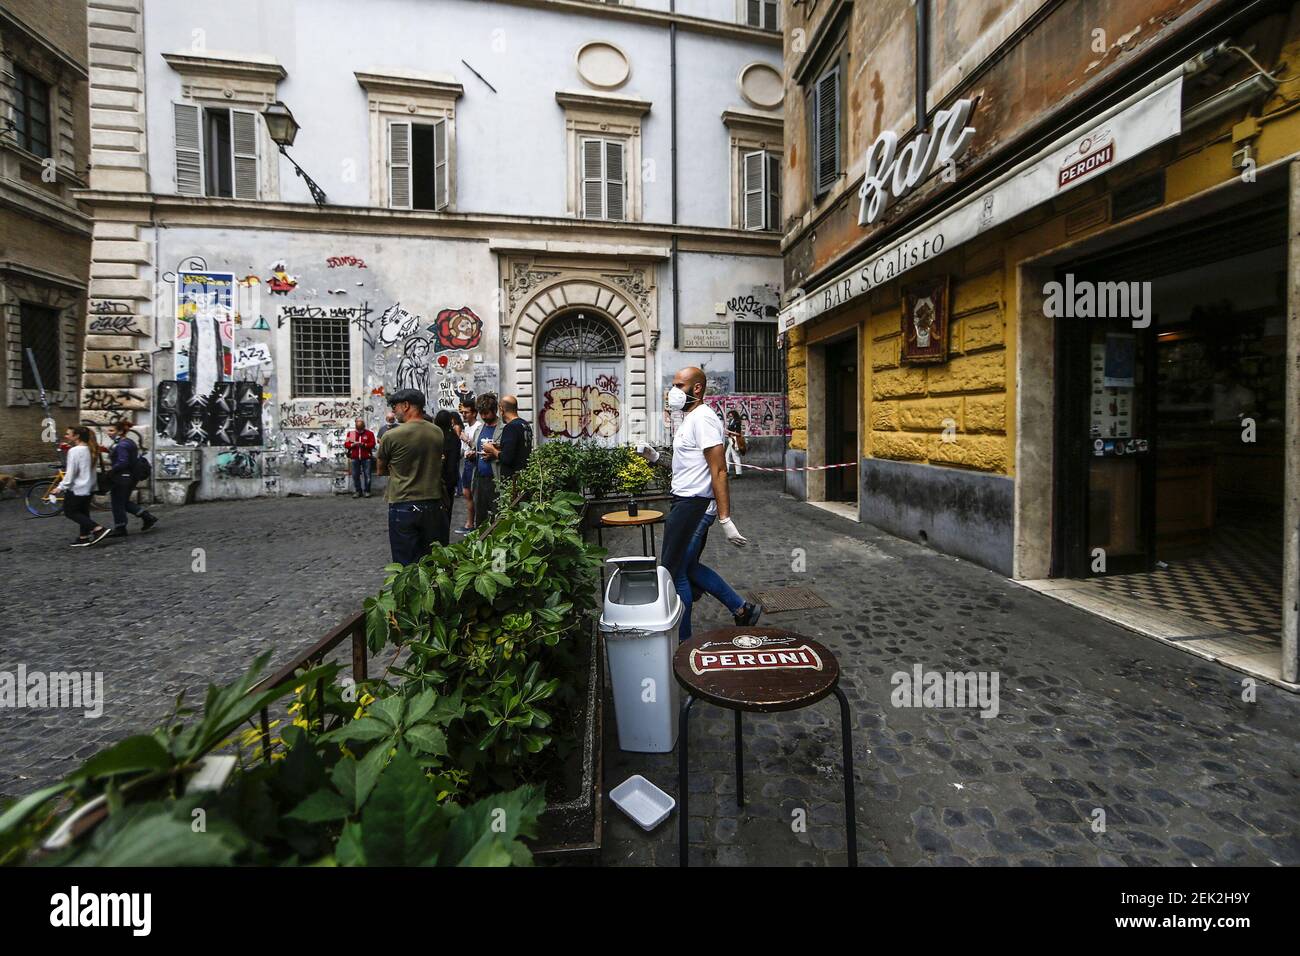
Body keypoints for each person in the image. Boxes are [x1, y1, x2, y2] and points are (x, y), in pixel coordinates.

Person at [645, 366, 760, 642]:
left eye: (679, 386)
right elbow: (687, 466)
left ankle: (684, 643)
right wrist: (654, 457)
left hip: (695, 507)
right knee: (688, 567)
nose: (673, 392)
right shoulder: (689, 419)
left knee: (676, 573)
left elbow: (719, 470)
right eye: (673, 385)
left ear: (697, 389)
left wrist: (725, 518)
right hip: (684, 503)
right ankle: (741, 609)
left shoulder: (704, 419)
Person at [375, 388, 448, 565]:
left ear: (406, 405)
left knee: (405, 562)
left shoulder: (391, 436)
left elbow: (380, 470)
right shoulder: (437, 432)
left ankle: (409, 592)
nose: (393, 411)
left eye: (395, 406)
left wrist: (396, 468)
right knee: (434, 561)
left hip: (403, 502)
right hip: (433, 503)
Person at [54, 426, 111, 548]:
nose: (66, 436)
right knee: (83, 512)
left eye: (68, 434)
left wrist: (61, 486)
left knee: (70, 512)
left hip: (78, 487)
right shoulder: (91, 448)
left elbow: (71, 472)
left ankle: (98, 529)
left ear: (76, 436)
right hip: (90, 486)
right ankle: (83, 537)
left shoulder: (75, 451)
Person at [105, 420, 158, 537]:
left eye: (111, 430)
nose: (108, 433)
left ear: (120, 431)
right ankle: (147, 516)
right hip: (130, 476)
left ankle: (120, 527)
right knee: (123, 501)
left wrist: (112, 470)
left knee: (117, 502)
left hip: (122, 477)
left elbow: (123, 461)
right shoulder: (128, 442)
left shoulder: (122, 445)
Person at [481, 394, 532, 484]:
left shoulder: (510, 427)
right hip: (524, 476)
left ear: (501, 409)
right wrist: (500, 446)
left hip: (512, 480)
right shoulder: (525, 425)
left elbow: (507, 458)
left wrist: (492, 449)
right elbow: (518, 448)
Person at [472, 393, 501, 529]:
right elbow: (475, 446)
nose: (483, 417)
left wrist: (494, 454)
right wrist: (472, 454)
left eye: (486, 413)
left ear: (495, 410)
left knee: (498, 516)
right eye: (481, 413)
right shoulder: (479, 429)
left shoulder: (504, 428)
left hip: (496, 479)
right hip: (479, 479)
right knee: (480, 518)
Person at [456, 395, 481, 534]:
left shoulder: (478, 427)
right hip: (466, 462)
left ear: (474, 413)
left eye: (466, 412)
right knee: (467, 493)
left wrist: (465, 439)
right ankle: (470, 523)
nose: (464, 415)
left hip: (473, 463)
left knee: (471, 493)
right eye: (462, 412)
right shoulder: (466, 427)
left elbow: (478, 446)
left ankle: (471, 524)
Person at [433, 409, 463, 524]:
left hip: (435, 477)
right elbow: (455, 458)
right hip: (450, 478)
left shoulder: (434, 436)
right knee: (447, 508)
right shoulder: (453, 437)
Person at [344, 417, 377, 498]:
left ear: (364, 427)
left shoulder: (369, 433)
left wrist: (364, 445)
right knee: (355, 475)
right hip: (355, 457)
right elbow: (346, 444)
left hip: (366, 457)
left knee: (367, 475)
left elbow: (373, 444)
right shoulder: (352, 434)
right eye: (358, 430)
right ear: (356, 427)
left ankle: (367, 491)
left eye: (361, 430)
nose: (359, 432)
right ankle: (358, 491)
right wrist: (352, 445)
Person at [725, 409, 746, 478]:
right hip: (731, 439)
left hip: (734, 440)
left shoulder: (737, 422)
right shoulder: (732, 421)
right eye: (729, 416)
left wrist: (728, 431)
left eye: (731, 416)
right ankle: (727, 472)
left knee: (735, 456)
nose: (729, 417)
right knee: (727, 455)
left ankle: (738, 473)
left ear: (734, 416)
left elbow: (738, 433)